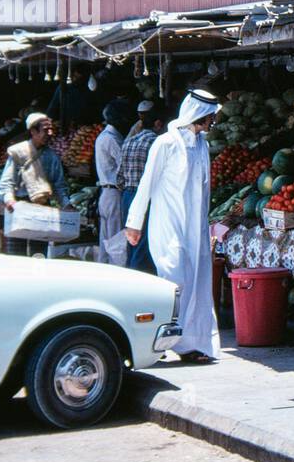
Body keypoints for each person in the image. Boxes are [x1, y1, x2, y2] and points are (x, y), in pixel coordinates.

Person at [124, 89, 222, 364]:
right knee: (173, 281)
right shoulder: (165, 143)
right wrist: (134, 223)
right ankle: (159, 342)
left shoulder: (202, 145)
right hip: (168, 224)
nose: (213, 122)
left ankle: (192, 345)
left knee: (197, 284)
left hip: (197, 228)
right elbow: (147, 184)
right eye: (210, 117)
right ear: (199, 115)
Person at [0, 112, 70, 256]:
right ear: (33, 131)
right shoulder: (18, 152)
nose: (50, 133)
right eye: (45, 130)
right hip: (19, 206)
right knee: (16, 254)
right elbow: (6, 183)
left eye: (51, 129)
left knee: (39, 254)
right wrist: (9, 200)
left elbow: (59, 185)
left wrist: (66, 204)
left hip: (42, 208)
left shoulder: (52, 156)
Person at [117, 104, 166, 273]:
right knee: (144, 244)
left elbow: (119, 177)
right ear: (158, 124)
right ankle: (137, 283)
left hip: (127, 196)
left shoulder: (129, 141)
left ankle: (129, 276)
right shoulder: (156, 143)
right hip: (145, 198)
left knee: (131, 241)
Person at [94, 100, 134, 265]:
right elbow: (124, 163)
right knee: (116, 240)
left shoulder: (104, 136)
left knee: (106, 239)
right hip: (113, 193)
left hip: (106, 193)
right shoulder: (111, 139)